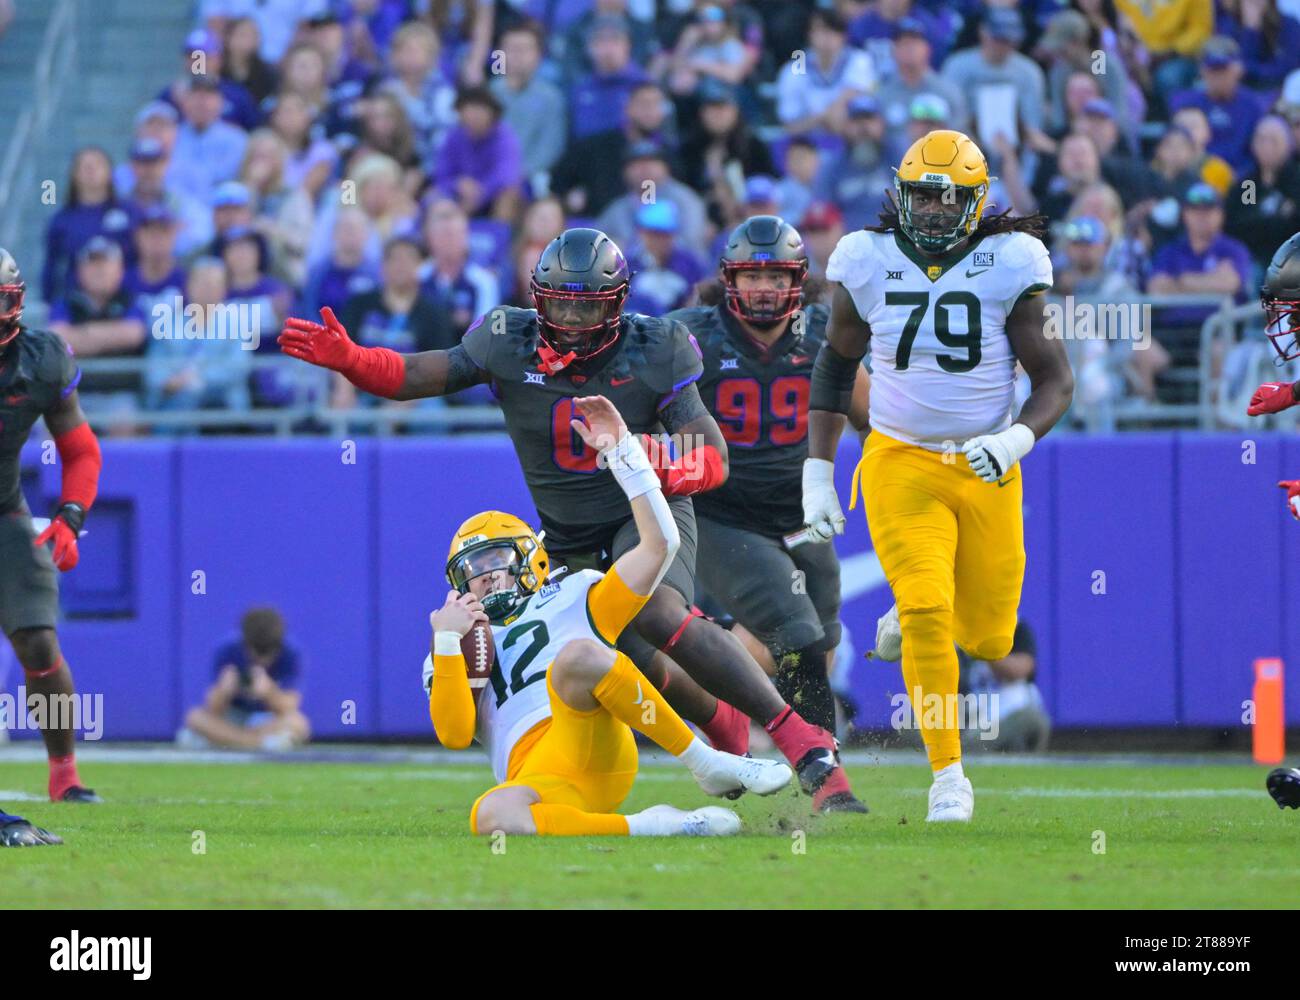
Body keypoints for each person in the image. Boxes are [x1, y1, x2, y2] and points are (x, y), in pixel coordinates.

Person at [279, 228, 862, 812]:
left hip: (643, 511)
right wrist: (352, 360)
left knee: (656, 609)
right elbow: (417, 375)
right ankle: (723, 726)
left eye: (588, 303)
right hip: (563, 534)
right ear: (539, 297)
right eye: (561, 302)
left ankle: (798, 736)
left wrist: (645, 461)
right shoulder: (507, 340)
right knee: (621, 648)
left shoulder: (654, 347)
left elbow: (713, 458)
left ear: (617, 303)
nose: (574, 316)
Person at [803, 130, 1074, 821]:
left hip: (987, 463)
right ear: (901, 191)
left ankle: (925, 607)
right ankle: (948, 776)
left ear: (977, 203)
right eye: (921, 194)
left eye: (946, 198)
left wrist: (1015, 439)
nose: (929, 210)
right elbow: (836, 368)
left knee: (988, 637)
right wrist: (817, 469)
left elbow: (1054, 380)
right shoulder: (866, 259)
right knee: (927, 612)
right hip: (899, 460)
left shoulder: (1010, 261)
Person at [429, 396, 792, 836]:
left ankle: (705, 762)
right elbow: (453, 735)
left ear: (533, 560)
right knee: (491, 817)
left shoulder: (575, 593)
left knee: (578, 656)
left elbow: (660, 547)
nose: (485, 578)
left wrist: (624, 454)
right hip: (539, 777)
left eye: (495, 560)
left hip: (594, 740)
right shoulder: (453, 639)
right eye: (472, 571)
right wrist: (447, 642)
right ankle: (655, 826)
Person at [666, 217, 870, 799]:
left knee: (820, 642)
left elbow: (870, 418)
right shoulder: (691, 336)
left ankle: (728, 729)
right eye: (750, 274)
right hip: (721, 511)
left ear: (797, 281)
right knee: (797, 634)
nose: (761, 288)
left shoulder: (825, 333)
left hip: (802, 510)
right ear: (729, 279)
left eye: (773, 275)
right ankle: (828, 780)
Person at [0, 248, 104, 804]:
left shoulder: (41, 359)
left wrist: (70, 516)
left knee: (39, 641)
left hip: (2, 513)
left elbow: (81, 451)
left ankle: (64, 773)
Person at [181, 606, 310, 750]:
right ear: (246, 645)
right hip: (232, 718)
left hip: (265, 720)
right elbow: (212, 708)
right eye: (257, 652)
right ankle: (253, 743)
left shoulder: (291, 653)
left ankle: (232, 742)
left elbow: (290, 706)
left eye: (267, 653)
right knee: (194, 717)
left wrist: (269, 692)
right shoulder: (227, 650)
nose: (262, 661)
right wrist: (224, 690)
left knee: (299, 723)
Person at [958, 620, 1050, 752]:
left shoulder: (1016, 627)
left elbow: (1018, 669)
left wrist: (983, 648)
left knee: (1033, 719)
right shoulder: (959, 633)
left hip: (1009, 712)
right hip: (974, 715)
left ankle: (964, 753)